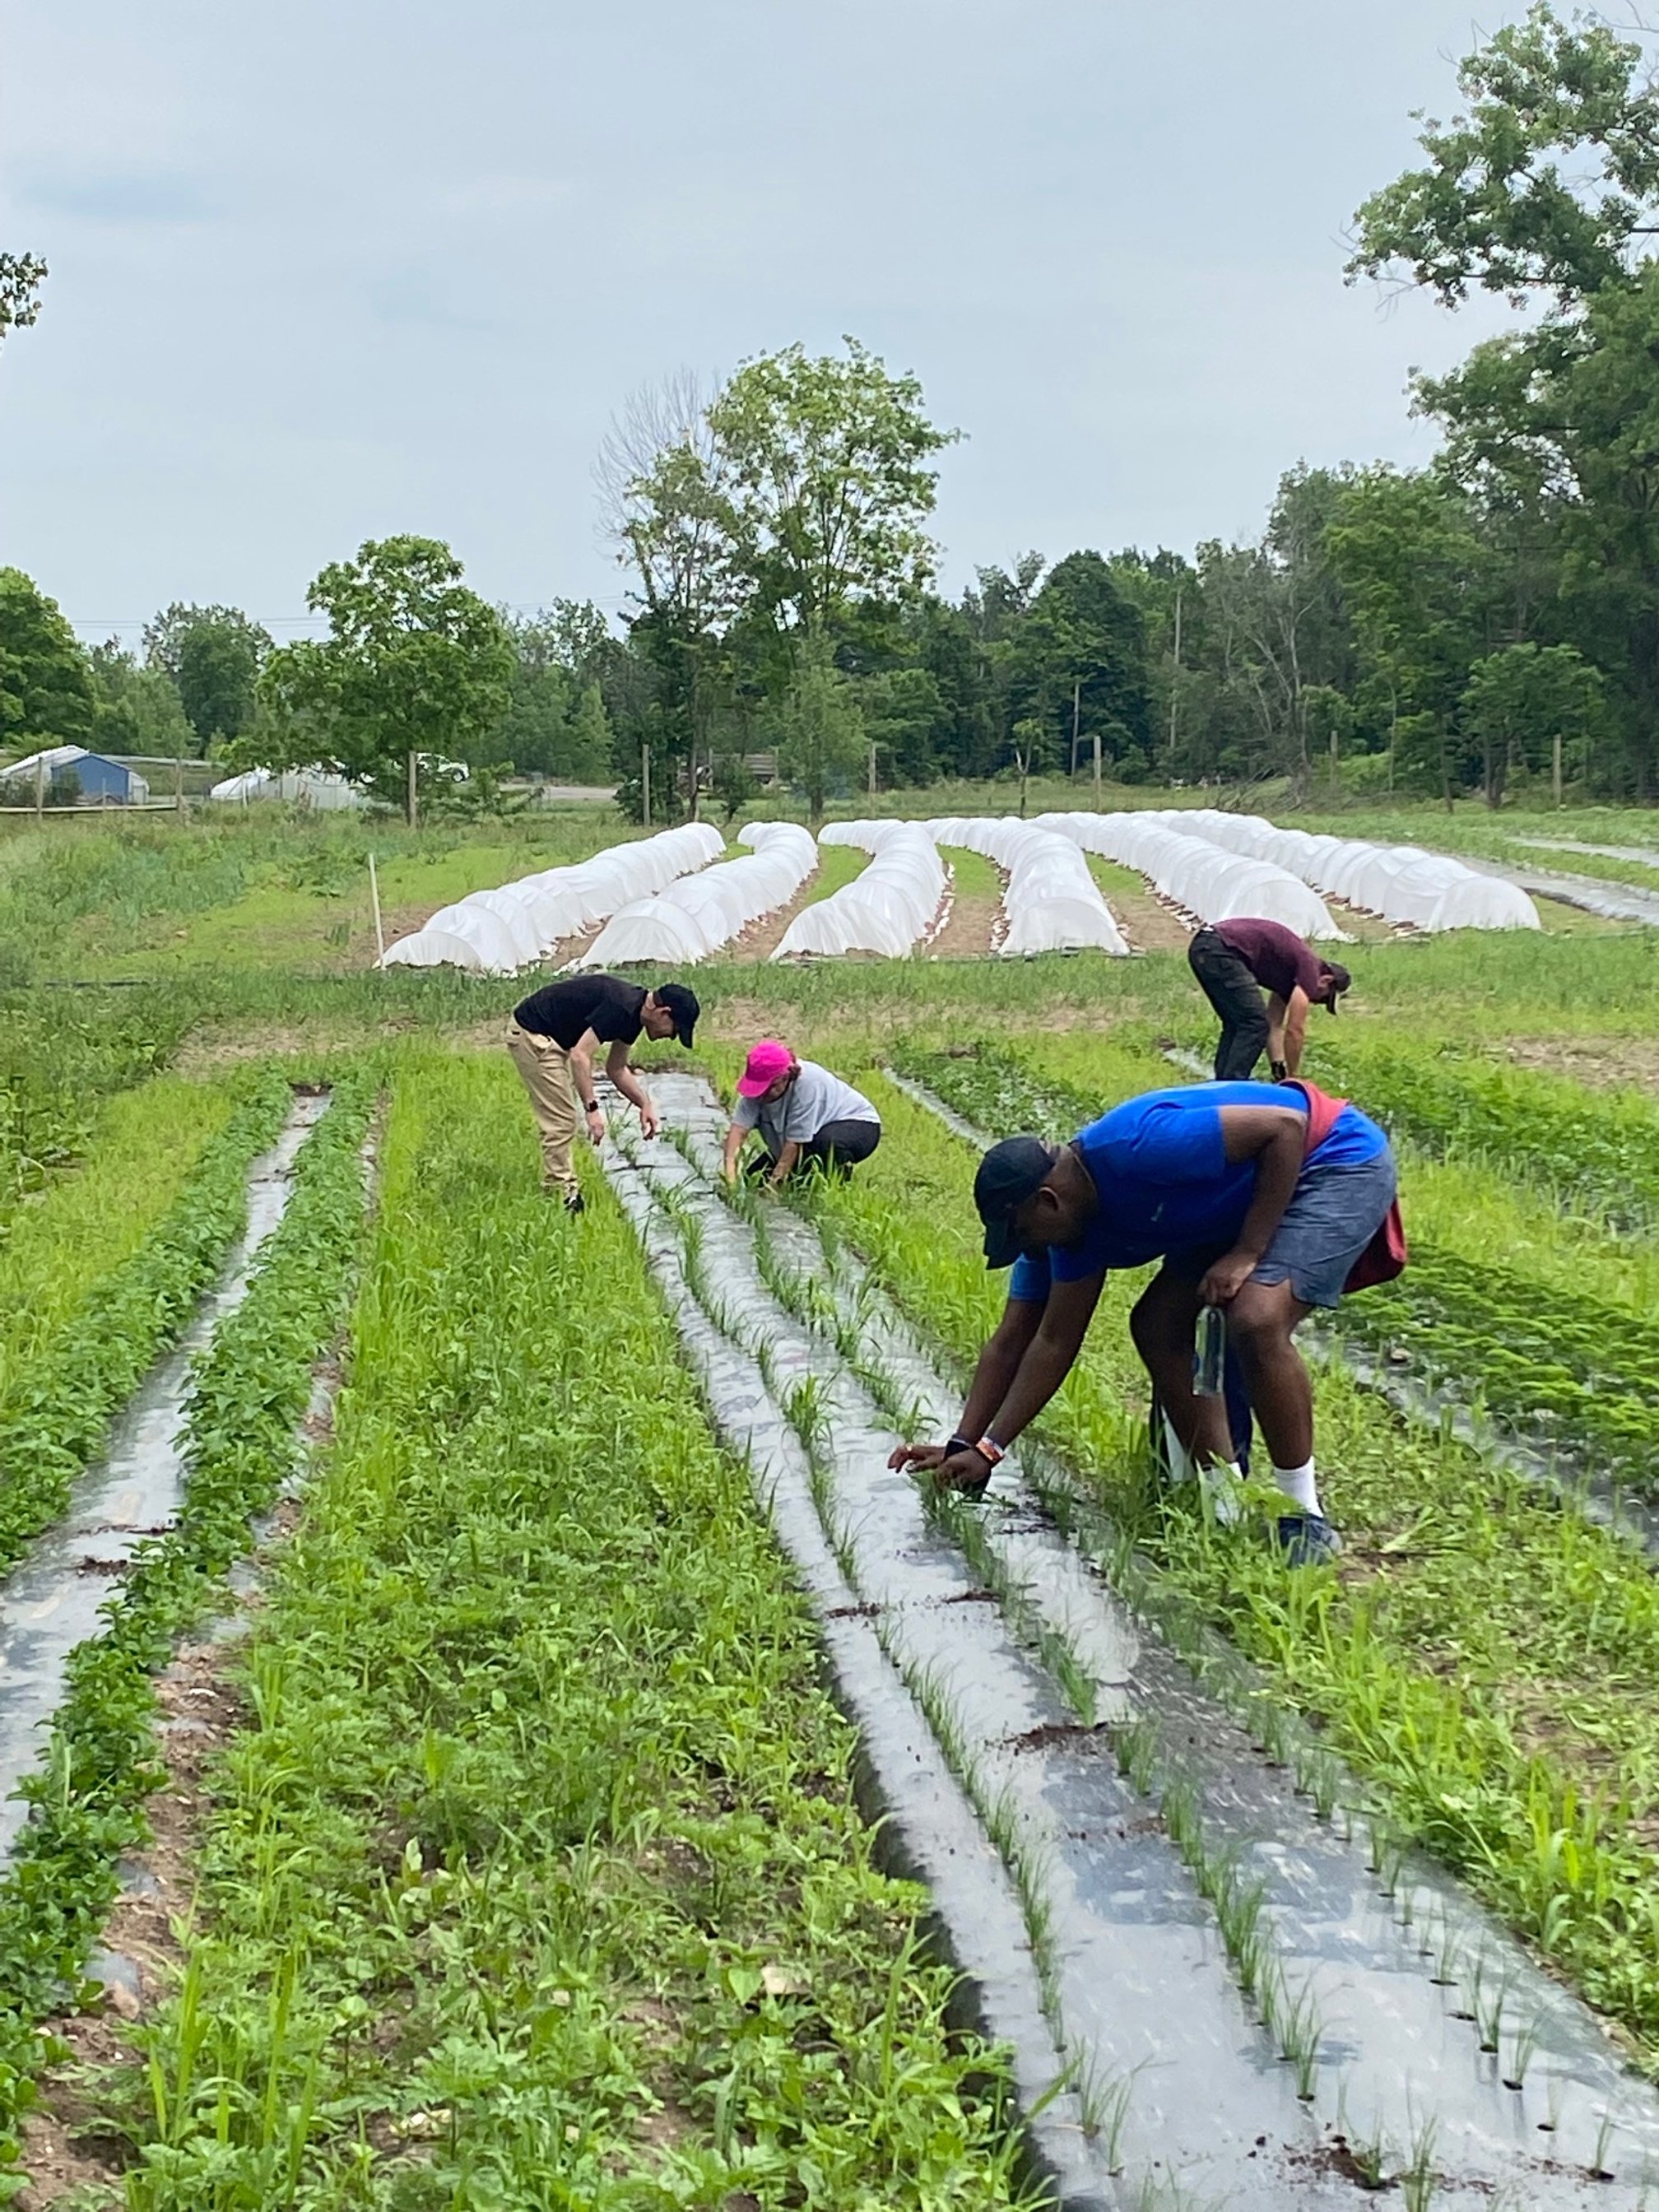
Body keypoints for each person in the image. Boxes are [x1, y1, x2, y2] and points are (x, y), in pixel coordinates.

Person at [889, 1080, 1401, 1564]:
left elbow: (1284, 1128)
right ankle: (1225, 1498)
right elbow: (1037, 1340)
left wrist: (1248, 1251)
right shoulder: (1070, 1231)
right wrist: (970, 1445)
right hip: (1236, 1201)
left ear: (1048, 1201)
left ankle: (1302, 1514)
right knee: (1157, 1324)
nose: (1029, 1250)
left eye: (1024, 1234)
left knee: (1257, 1317)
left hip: (1330, 1160)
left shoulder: (1139, 1149)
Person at [507, 973, 699, 1211]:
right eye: (674, 1031)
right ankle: (561, 1197)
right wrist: (592, 1110)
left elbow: (616, 1069)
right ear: (663, 1013)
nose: (670, 1037)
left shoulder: (635, 1015)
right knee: (562, 1119)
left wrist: (644, 1104)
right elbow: (580, 1056)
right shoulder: (622, 1006)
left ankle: (562, 1192)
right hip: (533, 1034)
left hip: (550, 1038)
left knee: (563, 1117)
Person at [1187, 918, 1350, 1081]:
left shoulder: (1290, 977)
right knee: (1254, 1023)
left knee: (1238, 1023)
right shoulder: (1311, 970)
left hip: (1205, 946)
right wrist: (1294, 1077)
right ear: (1326, 980)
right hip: (1222, 950)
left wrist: (1279, 1071)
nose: (1314, 1001)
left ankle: (1223, 1083)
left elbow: (1274, 1024)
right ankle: (1233, 1085)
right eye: (1322, 997)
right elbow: (1295, 1030)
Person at [721, 1040, 882, 1188]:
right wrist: (731, 1178)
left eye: (769, 1088)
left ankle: (837, 1184)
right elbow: (738, 1133)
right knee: (752, 1181)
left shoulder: (808, 1083)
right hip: (810, 1138)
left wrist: (775, 1184)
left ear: (785, 1077)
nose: (762, 1095)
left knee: (823, 1149)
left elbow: (795, 1142)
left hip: (858, 1125)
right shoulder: (754, 1094)